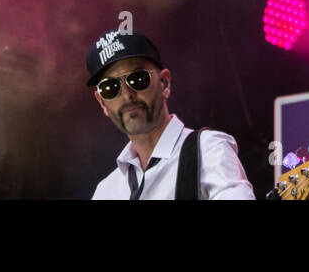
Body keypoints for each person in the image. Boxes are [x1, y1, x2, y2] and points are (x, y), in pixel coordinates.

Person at [86, 28, 255, 199]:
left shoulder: (208, 150)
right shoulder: (106, 191)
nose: (127, 94)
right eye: (110, 87)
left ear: (164, 83)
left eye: (137, 79)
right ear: (102, 103)